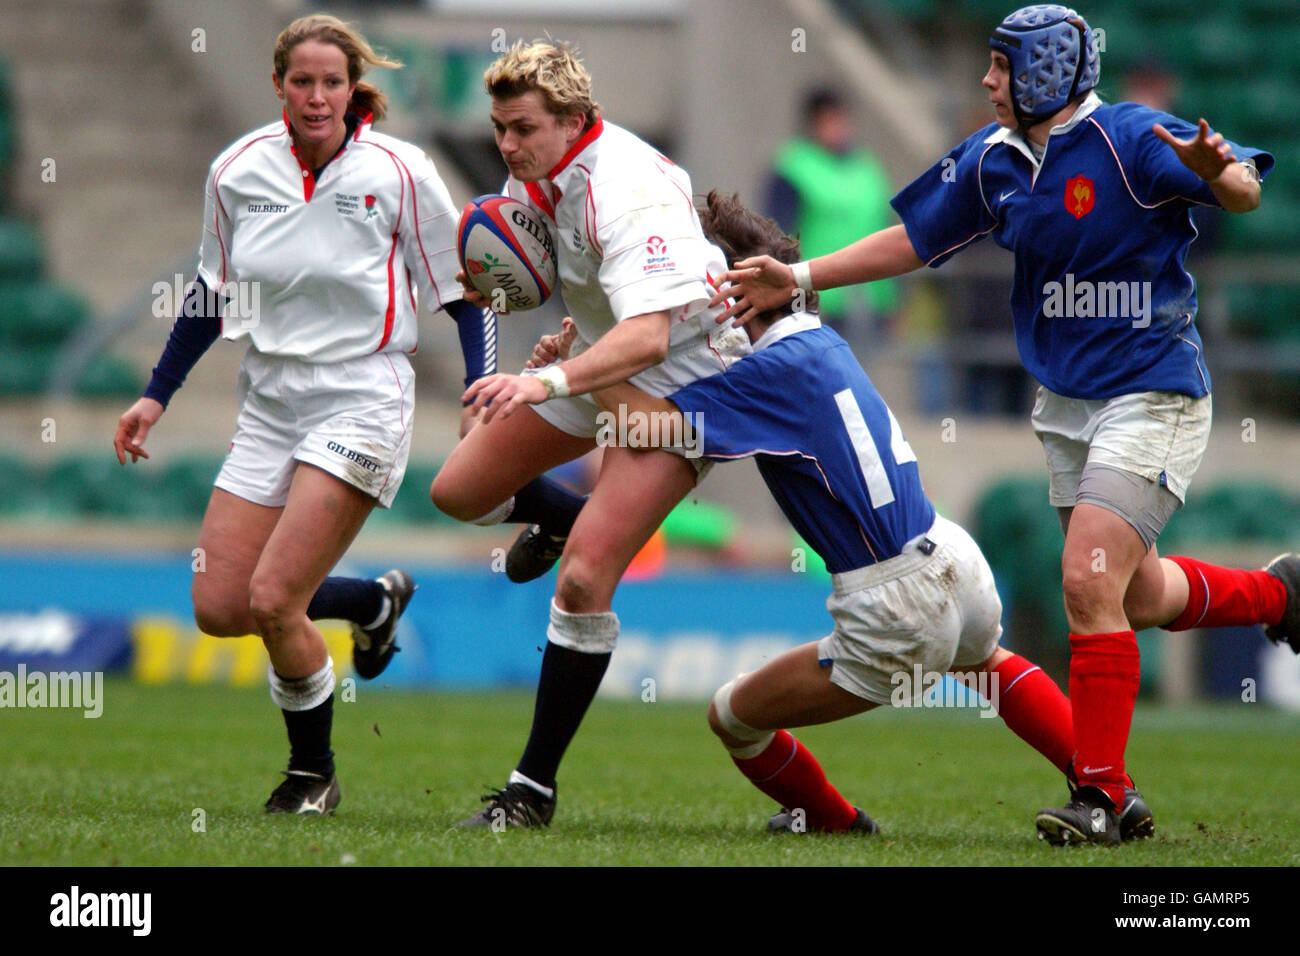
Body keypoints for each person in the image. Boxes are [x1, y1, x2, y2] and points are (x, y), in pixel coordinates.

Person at [712, 4, 1297, 845]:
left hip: (1154, 388)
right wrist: (799, 277)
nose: (987, 81)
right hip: (1066, 405)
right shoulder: (994, 161)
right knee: (1130, 594)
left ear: (1050, 73)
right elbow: (914, 240)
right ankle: (1280, 593)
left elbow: (1242, 185)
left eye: (1001, 66)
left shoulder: (1133, 140)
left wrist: (1223, 176)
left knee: (1088, 581)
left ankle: (1101, 798)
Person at [538, 190, 1154, 839]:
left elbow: (653, 425)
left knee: (732, 717)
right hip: (950, 555)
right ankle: (1112, 790)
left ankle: (832, 821)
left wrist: (581, 366)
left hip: (894, 602)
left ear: (738, 296)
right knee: (990, 664)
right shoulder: (819, 343)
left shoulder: (769, 370)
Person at [112, 14, 494, 814]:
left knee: (275, 600)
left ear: (353, 88)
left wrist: (481, 386)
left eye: (332, 83)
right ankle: (371, 602)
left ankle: (311, 775)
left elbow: (466, 290)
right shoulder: (236, 171)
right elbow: (214, 295)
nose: (318, 98)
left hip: (364, 394)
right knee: (220, 607)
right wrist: (155, 393)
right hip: (271, 398)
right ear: (279, 85)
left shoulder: (400, 169)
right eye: (302, 82)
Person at [428, 39, 751, 827]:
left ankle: (531, 792)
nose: (507, 146)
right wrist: (556, 344)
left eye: (523, 128)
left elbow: (648, 336)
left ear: (577, 121)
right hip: (600, 362)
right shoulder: (534, 173)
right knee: (460, 491)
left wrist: (541, 380)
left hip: (686, 383)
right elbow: (565, 285)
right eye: (500, 128)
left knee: (579, 585)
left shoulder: (627, 186)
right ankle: (569, 520)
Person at [763, 87, 897, 340]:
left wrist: (894, 297)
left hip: (870, 299)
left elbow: (886, 225)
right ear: (812, 124)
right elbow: (775, 235)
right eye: (829, 121)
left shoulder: (867, 167)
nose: (837, 128)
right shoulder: (793, 168)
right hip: (817, 298)